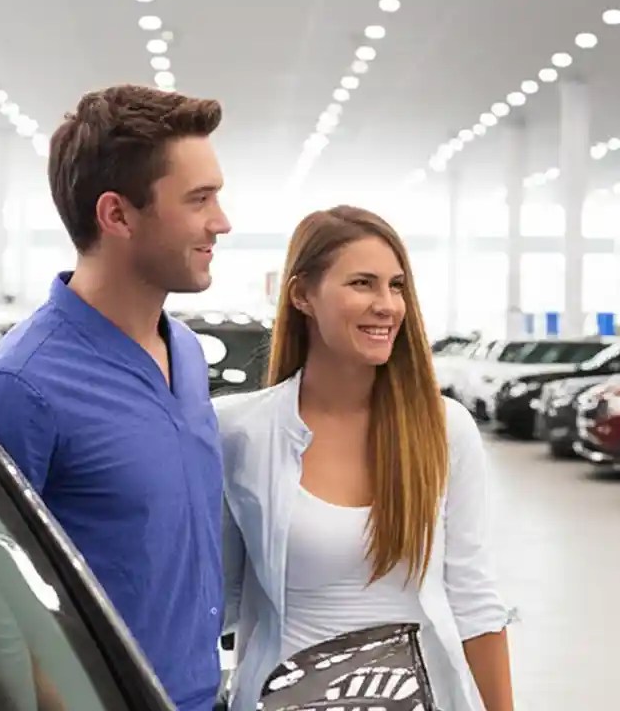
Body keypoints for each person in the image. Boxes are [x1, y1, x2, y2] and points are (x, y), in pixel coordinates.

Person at [0, 84, 232, 711]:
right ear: (118, 215)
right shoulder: (18, 389)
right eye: (200, 199)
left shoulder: (184, 352)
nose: (222, 220)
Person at [215, 206, 515, 711]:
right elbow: (214, 602)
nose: (387, 305)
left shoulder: (444, 429)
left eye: (396, 286)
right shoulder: (240, 432)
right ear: (302, 295)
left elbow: (474, 600)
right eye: (362, 283)